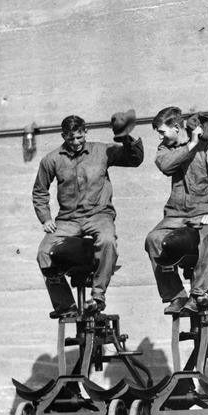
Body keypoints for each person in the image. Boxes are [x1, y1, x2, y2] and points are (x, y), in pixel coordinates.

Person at [33, 112, 144, 317]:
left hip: (98, 215)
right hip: (68, 219)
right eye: (70, 138)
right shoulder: (51, 160)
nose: (76, 142)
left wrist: (126, 137)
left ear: (86, 132)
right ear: (63, 136)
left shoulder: (102, 151)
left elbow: (134, 159)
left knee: (108, 241)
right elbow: (40, 191)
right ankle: (65, 304)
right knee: (44, 253)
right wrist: (45, 217)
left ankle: (98, 296)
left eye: (79, 137)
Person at [144, 107, 208, 315]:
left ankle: (198, 294)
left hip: (205, 213)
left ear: (176, 127)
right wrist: (189, 145)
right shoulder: (165, 149)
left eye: (162, 131)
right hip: (176, 216)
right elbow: (165, 166)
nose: (160, 136)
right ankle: (176, 295)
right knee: (153, 239)